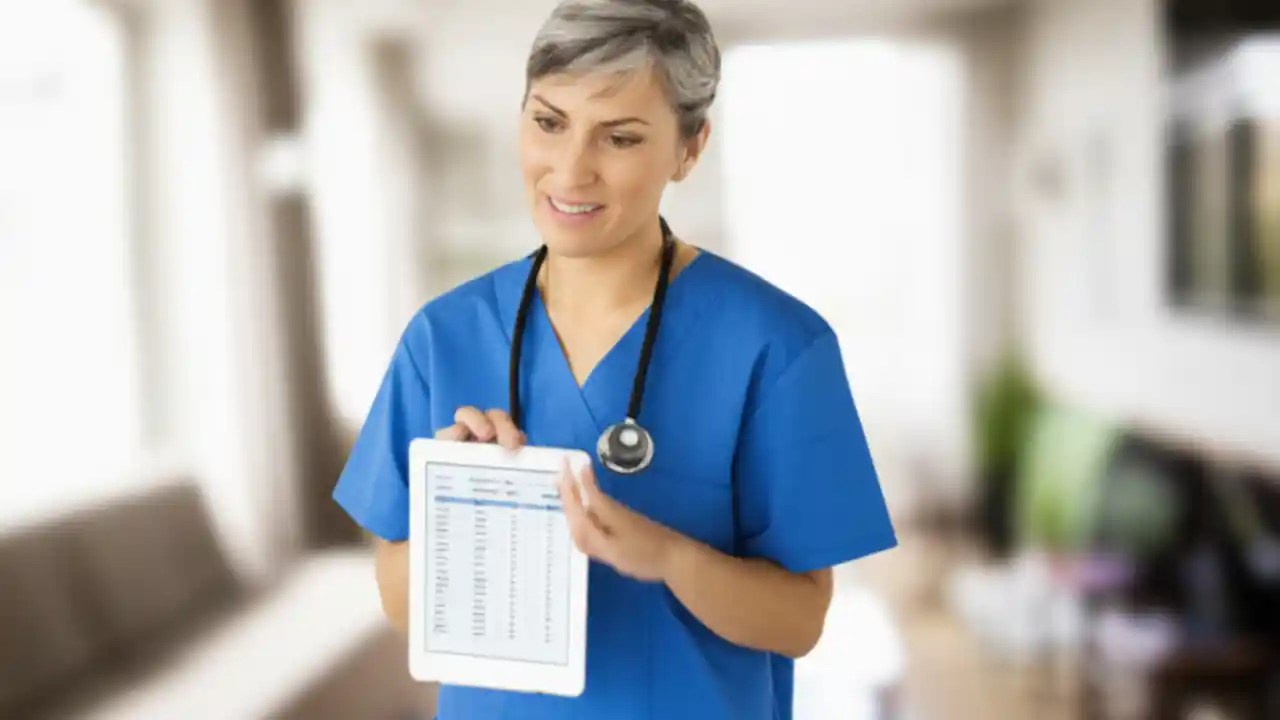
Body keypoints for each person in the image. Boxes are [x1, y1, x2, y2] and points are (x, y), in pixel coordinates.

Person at [331, 1, 898, 718]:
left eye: (620, 138)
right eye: (548, 122)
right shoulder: (443, 338)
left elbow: (801, 622)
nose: (571, 170)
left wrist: (667, 558)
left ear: (689, 150)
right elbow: (398, 601)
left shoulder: (778, 346)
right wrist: (463, 506)